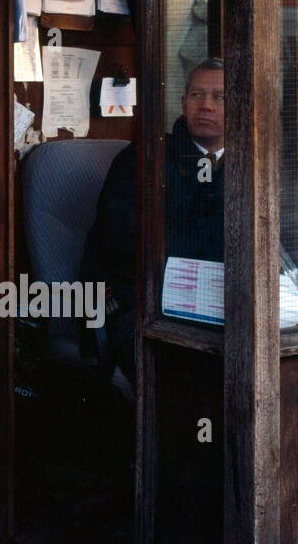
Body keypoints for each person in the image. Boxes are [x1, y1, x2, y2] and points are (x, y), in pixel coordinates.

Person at [80, 57, 225, 382]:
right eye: (196, 95)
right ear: (182, 103)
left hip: (222, 306)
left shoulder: (249, 167)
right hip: (147, 306)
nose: (206, 106)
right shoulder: (143, 159)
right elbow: (127, 246)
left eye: (220, 97)